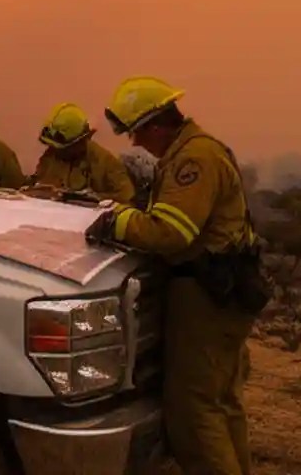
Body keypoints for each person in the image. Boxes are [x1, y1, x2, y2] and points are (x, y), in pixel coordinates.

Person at [100, 76, 268, 475]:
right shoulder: (196, 151)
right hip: (223, 292)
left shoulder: (193, 160)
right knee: (223, 404)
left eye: (138, 133)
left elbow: (170, 233)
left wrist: (118, 222)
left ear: (158, 124)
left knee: (194, 412)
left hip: (206, 296)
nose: (137, 143)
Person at [29, 102, 136, 204]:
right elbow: (38, 183)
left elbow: (127, 198)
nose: (56, 152)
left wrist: (94, 198)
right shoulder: (51, 156)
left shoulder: (105, 163)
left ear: (81, 141)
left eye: (63, 148)